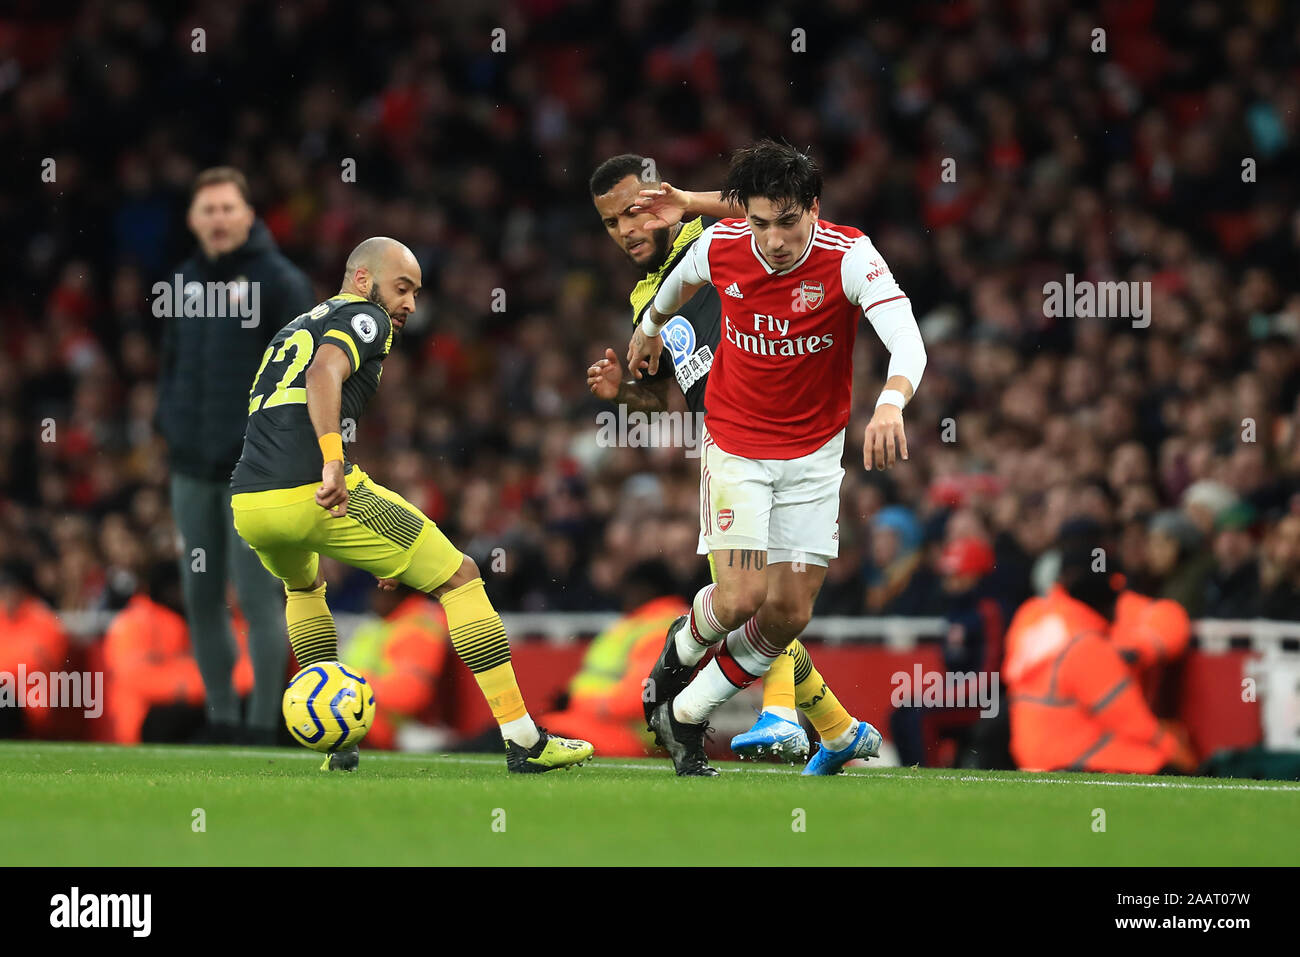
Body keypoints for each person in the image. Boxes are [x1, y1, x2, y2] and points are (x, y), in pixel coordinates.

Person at [229, 237, 593, 772]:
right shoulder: (365, 316)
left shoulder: (297, 326)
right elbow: (322, 375)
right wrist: (332, 460)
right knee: (461, 577)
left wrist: (379, 550)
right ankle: (524, 741)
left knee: (303, 587)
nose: (409, 306)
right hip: (314, 487)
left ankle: (338, 745)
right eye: (402, 288)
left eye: (416, 294)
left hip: (252, 505)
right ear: (361, 280)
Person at [628, 140, 928, 775]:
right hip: (736, 444)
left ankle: (684, 716)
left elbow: (907, 337)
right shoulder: (721, 246)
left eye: (787, 223)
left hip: (816, 453)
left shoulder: (849, 256)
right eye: (760, 223)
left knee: (789, 613)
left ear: (813, 210)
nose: (774, 240)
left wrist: (891, 403)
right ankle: (676, 657)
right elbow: (677, 283)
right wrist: (649, 328)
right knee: (739, 597)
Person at [586, 154, 862, 765]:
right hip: (729, 441)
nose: (628, 230)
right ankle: (826, 729)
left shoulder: (709, 239)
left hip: (789, 427)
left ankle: (792, 720)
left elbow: (775, 210)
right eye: (611, 223)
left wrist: (689, 200)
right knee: (754, 601)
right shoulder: (645, 297)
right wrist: (623, 395)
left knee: (764, 601)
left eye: (635, 210)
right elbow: (670, 394)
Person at [156, 167, 315, 744]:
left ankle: (261, 726)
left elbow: (302, 379)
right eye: (208, 210)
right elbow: (172, 369)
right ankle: (222, 718)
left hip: (256, 472)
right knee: (200, 595)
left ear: (249, 215)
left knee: (255, 596)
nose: (218, 219)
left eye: (228, 208)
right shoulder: (181, 283)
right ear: (193, 221)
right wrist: (168, 428)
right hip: (191, 468)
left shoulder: (281, 284)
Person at [1002, 519, 1196, 774]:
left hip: (1030, 750)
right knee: (1168, 766)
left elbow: (1169, 620)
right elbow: (1130, 721)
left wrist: (1135, 648)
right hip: (1077, 754)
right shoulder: (1086, 642)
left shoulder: (1031, 615)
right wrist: (1179, 754)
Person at [538, 561, 687, 758]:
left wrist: (576, 702)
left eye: (627, 589)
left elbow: (641, 698)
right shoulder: (642, 624)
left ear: (643, 589)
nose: (623, 595)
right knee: (515, 737)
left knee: (514, 742)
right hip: (593, 725)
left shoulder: (660, 629)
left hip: (620, 734)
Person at [344, 585, 449, 751]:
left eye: (378, 587)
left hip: (403, 732)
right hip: (361, 722)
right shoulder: (378, 624)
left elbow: (409, 696)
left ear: (394, 590)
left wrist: (352, 687)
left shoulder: (420, 626)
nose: (371, 595)